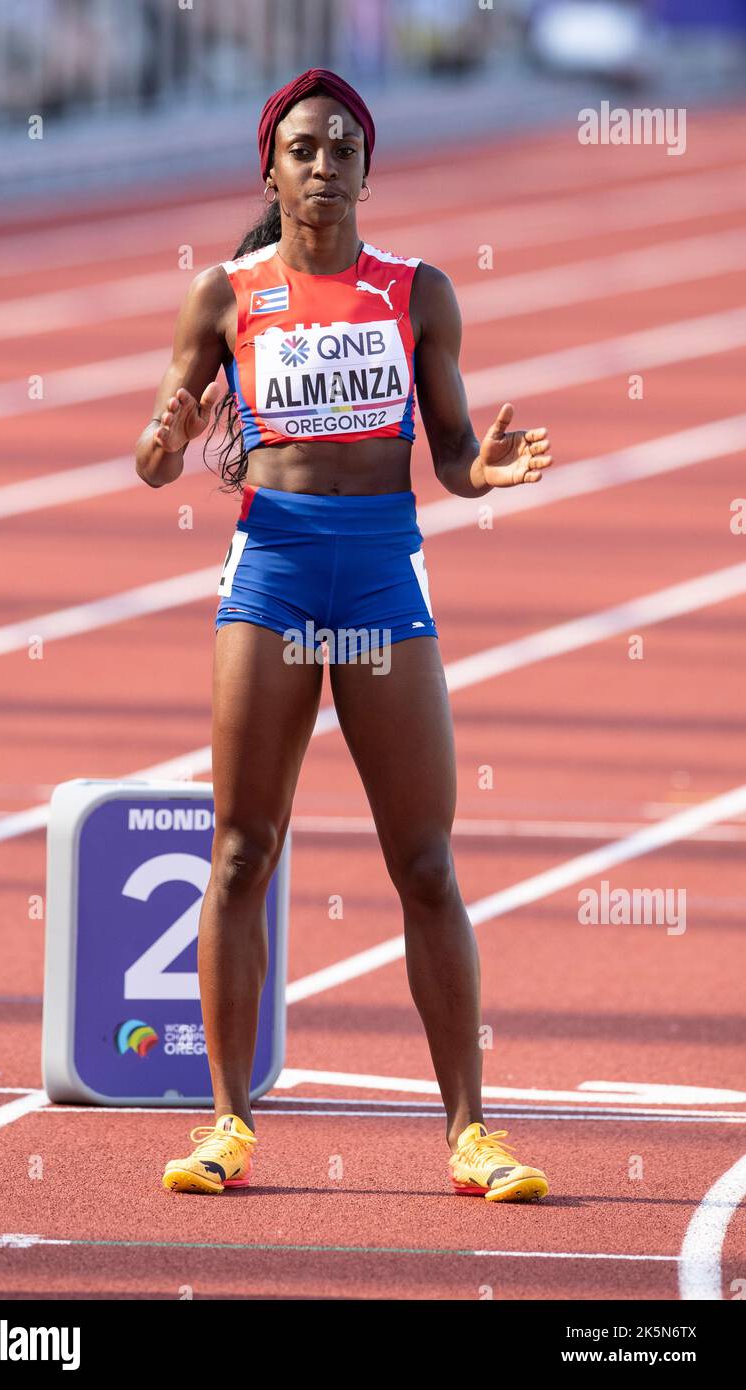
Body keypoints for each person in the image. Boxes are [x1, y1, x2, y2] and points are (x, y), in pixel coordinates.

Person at [135, 68, 553, 1203]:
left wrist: (481, 472)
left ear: (370, 166)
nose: (325, 165)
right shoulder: (224, 296)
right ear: (270, 168)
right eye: (305, 149)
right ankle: (225, 1122)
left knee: (423, 859)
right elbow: (158, 454)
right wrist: (163, 444)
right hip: (271, 573)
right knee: (238, 851)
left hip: (378, 577)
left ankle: (471, 1132)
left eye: (343, 148)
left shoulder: (416, 293)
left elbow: (454, 451)